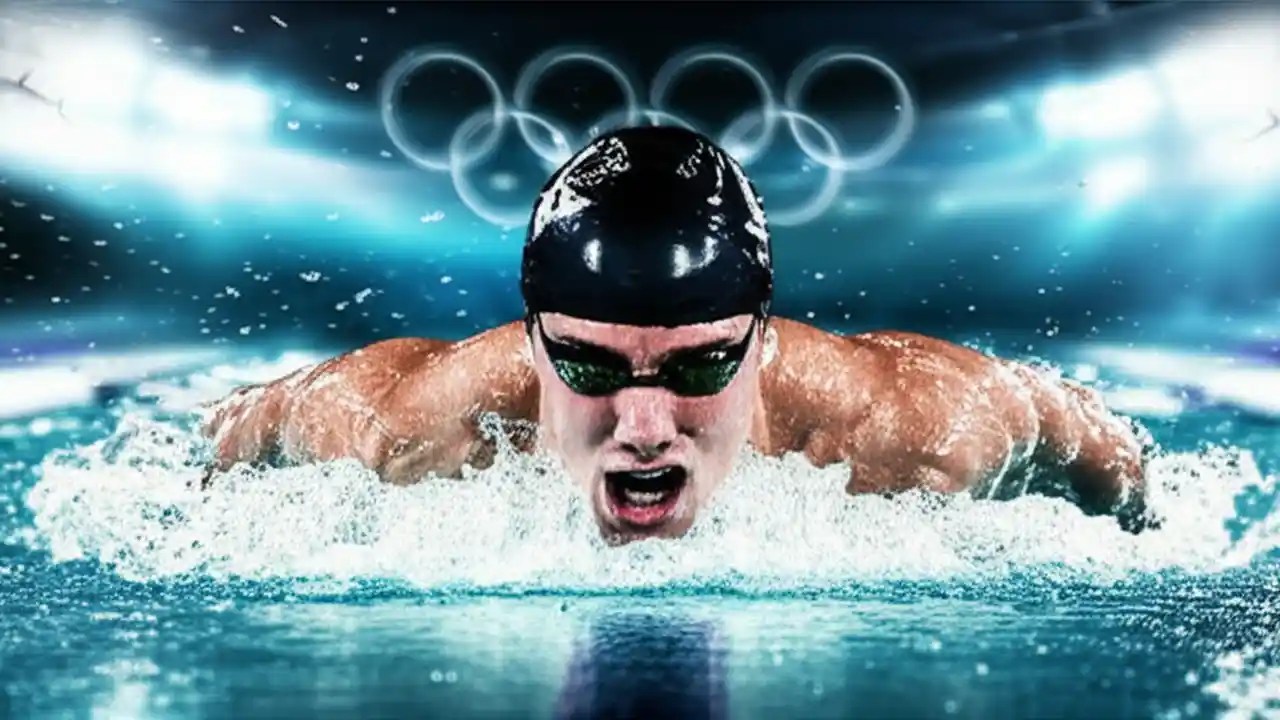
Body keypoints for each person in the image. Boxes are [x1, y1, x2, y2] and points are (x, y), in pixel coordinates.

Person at [203, 125, 1152, 542]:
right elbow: (239, 429)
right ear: (531, 342)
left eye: (699, 365)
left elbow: (1089, 437)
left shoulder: (903, 431)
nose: (647, 425)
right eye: (589, 362)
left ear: (760, 342)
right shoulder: (402, 430)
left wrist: (1145, 526)